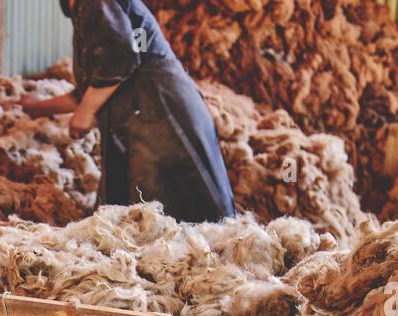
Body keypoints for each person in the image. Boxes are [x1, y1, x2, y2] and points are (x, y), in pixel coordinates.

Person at [18, 0, 236, 223]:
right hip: (144, 116)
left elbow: (119, 58)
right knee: (130, 219)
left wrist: (85, 113)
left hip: (162, 115)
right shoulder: (83, 10)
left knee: (176, 215)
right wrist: (34, 107)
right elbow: (93, 87)